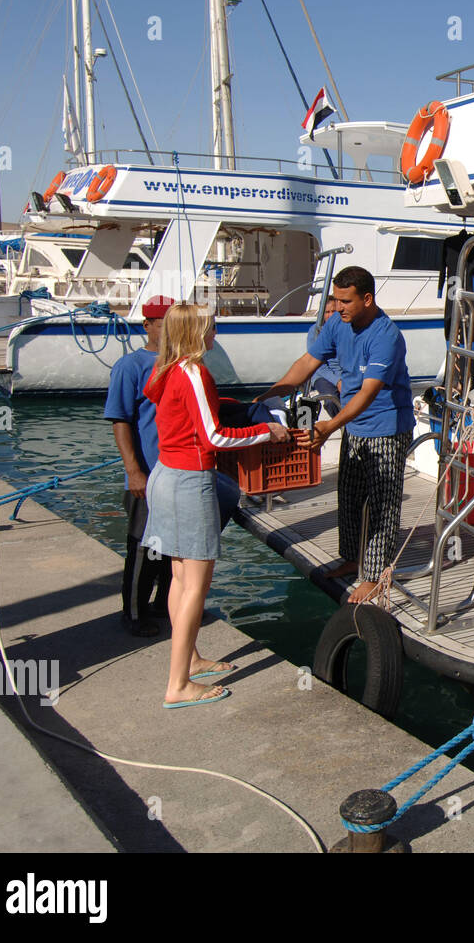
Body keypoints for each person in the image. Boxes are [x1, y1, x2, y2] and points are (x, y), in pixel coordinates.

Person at [142, 303, 288, 708]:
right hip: (190, 483)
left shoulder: (165, 369)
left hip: (165, 476)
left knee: (178, 576)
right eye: (210, 326)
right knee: (197, 584)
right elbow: (214, 437)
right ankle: (178, 684)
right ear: (196, 332)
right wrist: (265, 431)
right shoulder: (194, 372)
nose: (215, 332)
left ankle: (189, 659)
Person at [258, 265, 414, 605]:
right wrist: (269, 394)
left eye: (345, 301)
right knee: (349, 494)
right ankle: (352, 558)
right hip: (354, 424)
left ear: (367, 299)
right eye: (336, 301)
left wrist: (329, 426)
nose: (338, 307)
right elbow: (306, 363)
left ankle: (375, 576)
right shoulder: (336, 325)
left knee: (382, 504)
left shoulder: (386, 335)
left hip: (387, 426)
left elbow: (368, 392)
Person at [104, 295, 173, 637]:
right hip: (148, 473)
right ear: (147, 325)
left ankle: (164, 605)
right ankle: (132, 613)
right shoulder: (130, 367)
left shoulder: (181, 363)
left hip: (177, 475)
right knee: (143, 547)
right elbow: (120, 419)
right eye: (163, 323)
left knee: (172, 547)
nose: (169, 330)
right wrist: (133, 470)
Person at [305, 297, 343, 417]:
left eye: (333, 311)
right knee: (331, 400)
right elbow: (319, 366)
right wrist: (338, 381)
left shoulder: (346, 329)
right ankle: (343, 427)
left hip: (343, 373)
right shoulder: (315, 331)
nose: (330, 315)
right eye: (327, 312)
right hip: (322, 375)